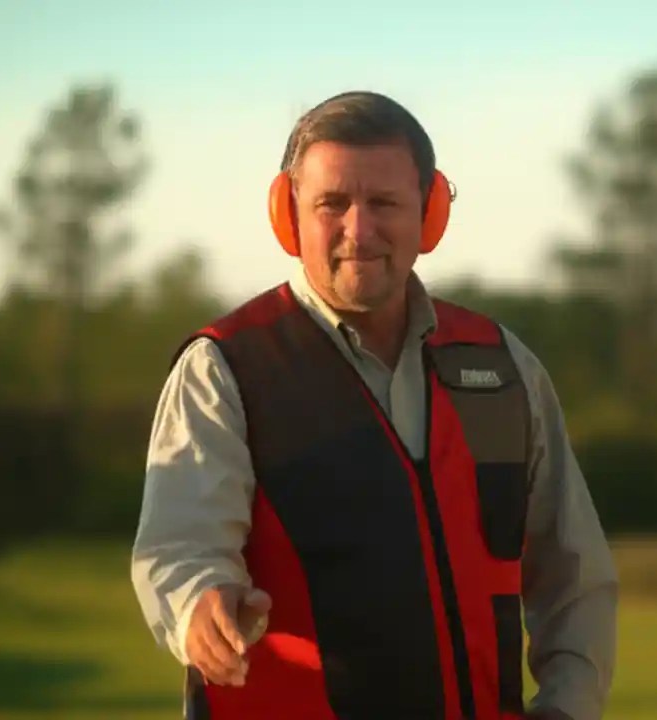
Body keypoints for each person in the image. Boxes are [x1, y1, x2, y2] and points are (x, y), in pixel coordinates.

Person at [131, 90, 618, 720]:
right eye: (332, 203)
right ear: (289, 214)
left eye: (384, 203)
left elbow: (574, 576)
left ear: (430, 212)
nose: (358, 231)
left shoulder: (503, 366)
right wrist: (200, 608)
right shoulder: (225, 368)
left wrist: (567, 709)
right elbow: (180, 547)